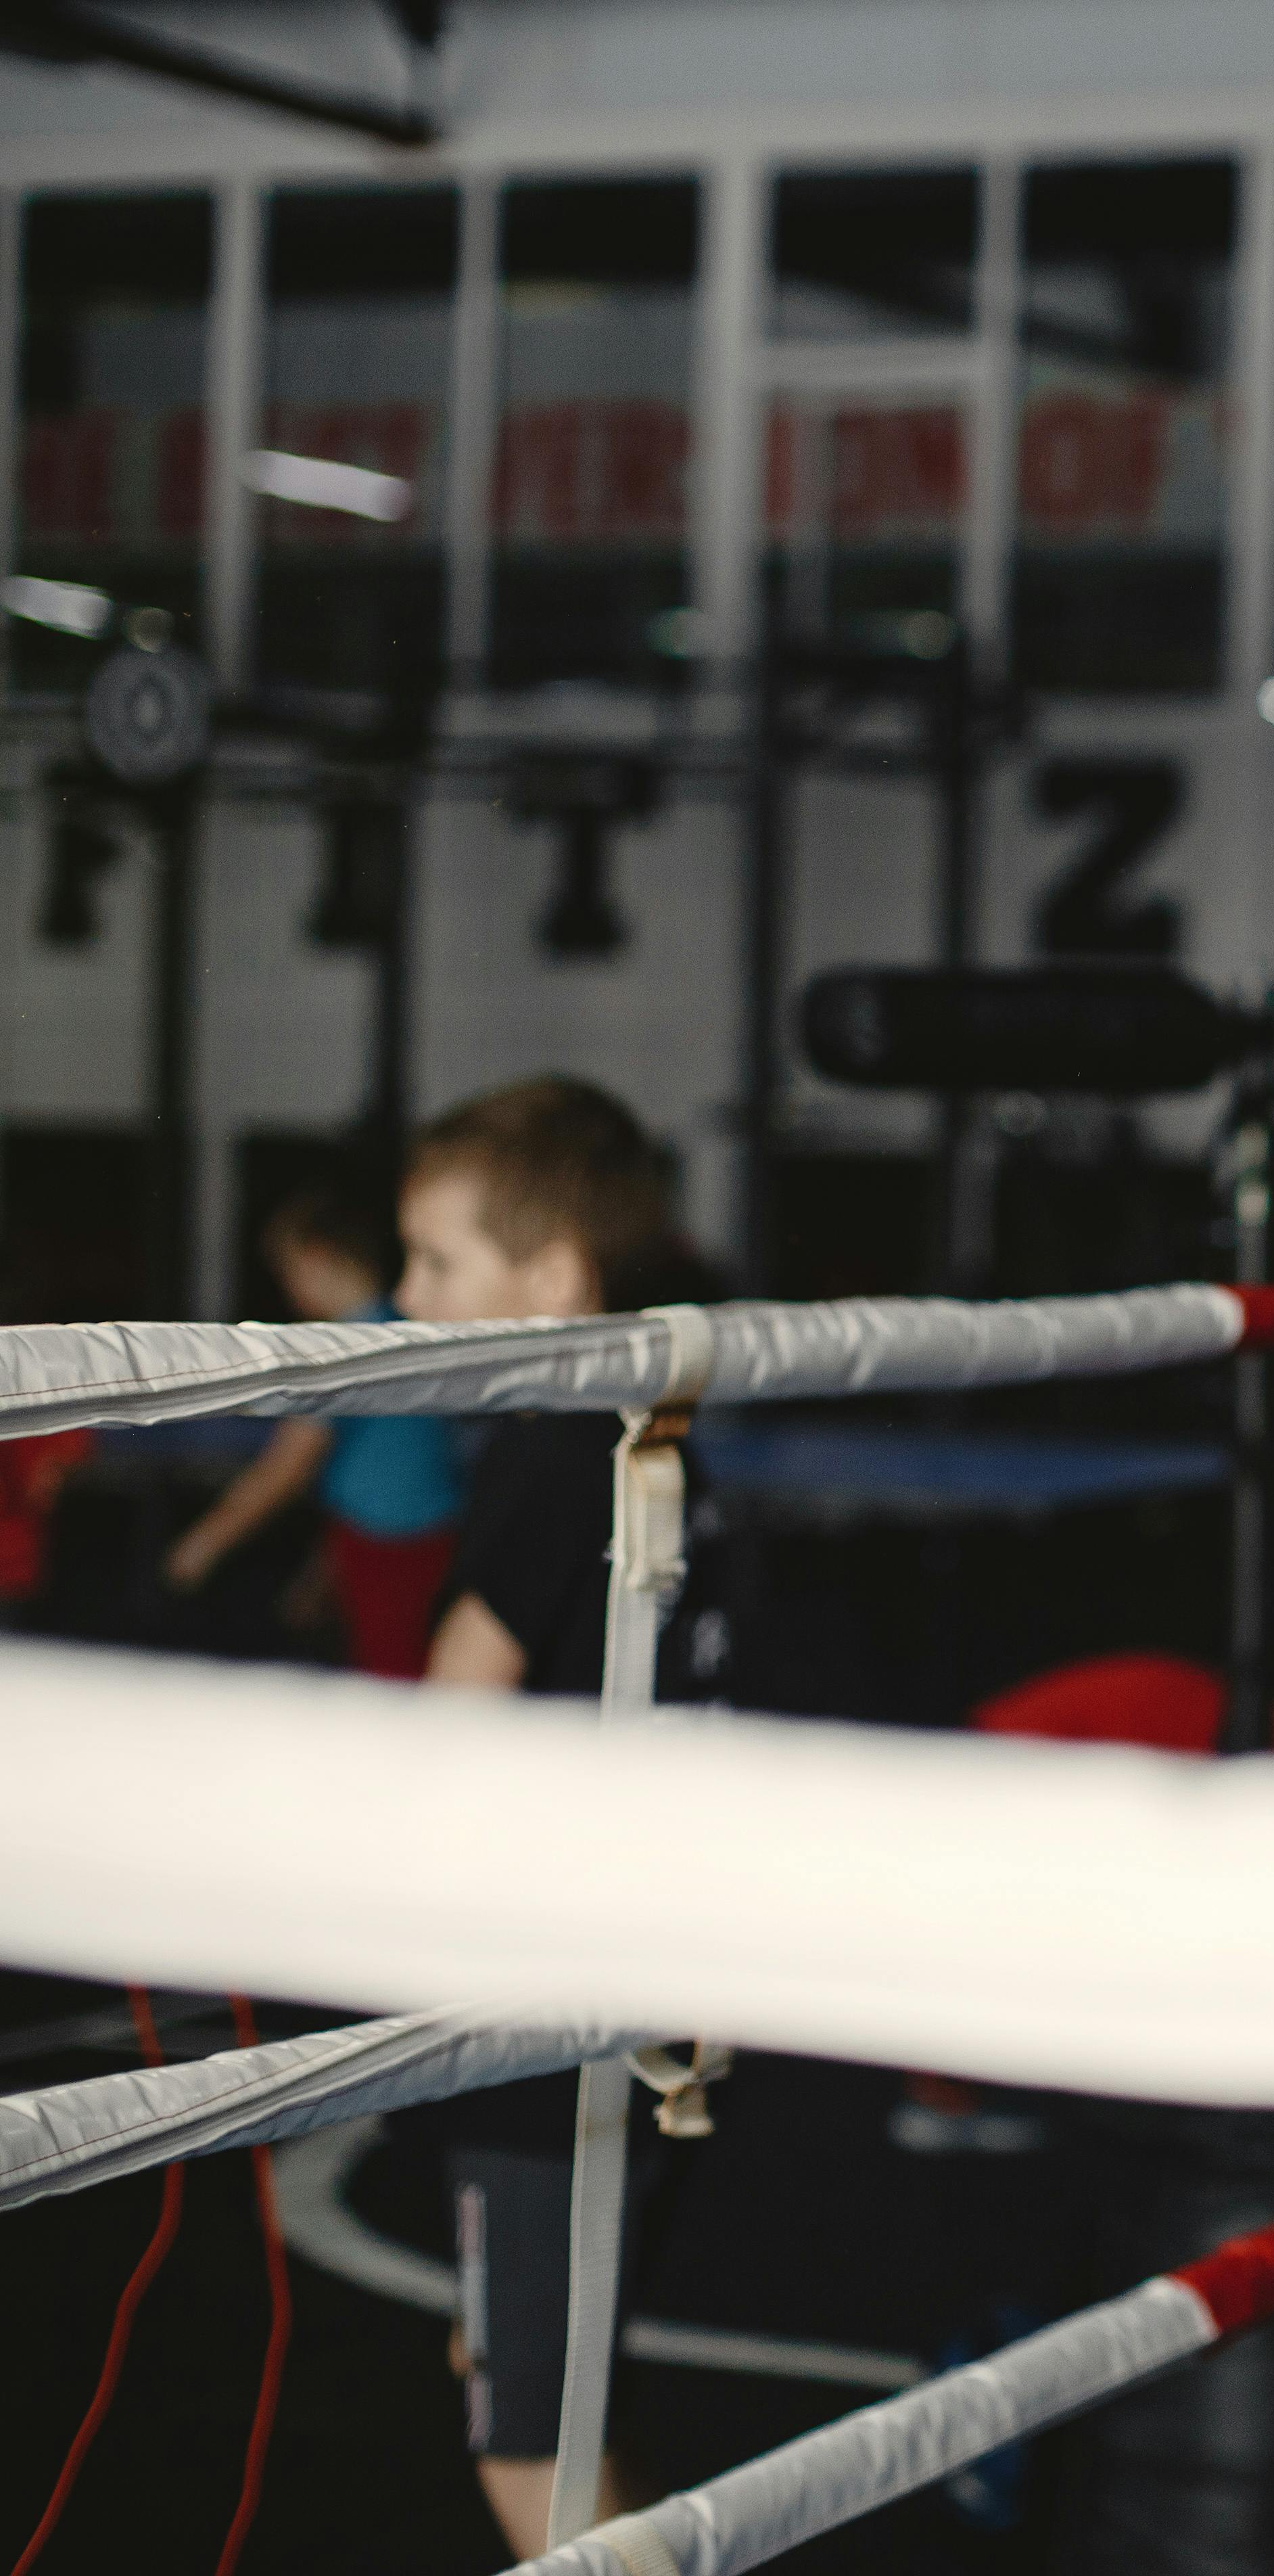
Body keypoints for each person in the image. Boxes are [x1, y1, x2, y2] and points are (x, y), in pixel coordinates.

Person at [395, 1074, 719, 2555]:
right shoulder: (651, 1420)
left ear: (551, 1279)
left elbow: (459, 1714)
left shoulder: (548, 1448)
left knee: (523, 2436)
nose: (409, 1298)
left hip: (545, 1998)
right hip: (641, 1968)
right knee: (554, 2400)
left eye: (437, 1264)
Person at [164, 1176, 465, 1674]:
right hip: (402, 1543)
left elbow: (286, 1468)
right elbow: (364, 1472)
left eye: (287, 1273)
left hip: (398, 1554)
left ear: (315, 1258)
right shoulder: (393, 1323)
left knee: (395, 1688)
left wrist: (201, 1546)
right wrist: (318, 1579)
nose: (288, 1293)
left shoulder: (345, 1346)